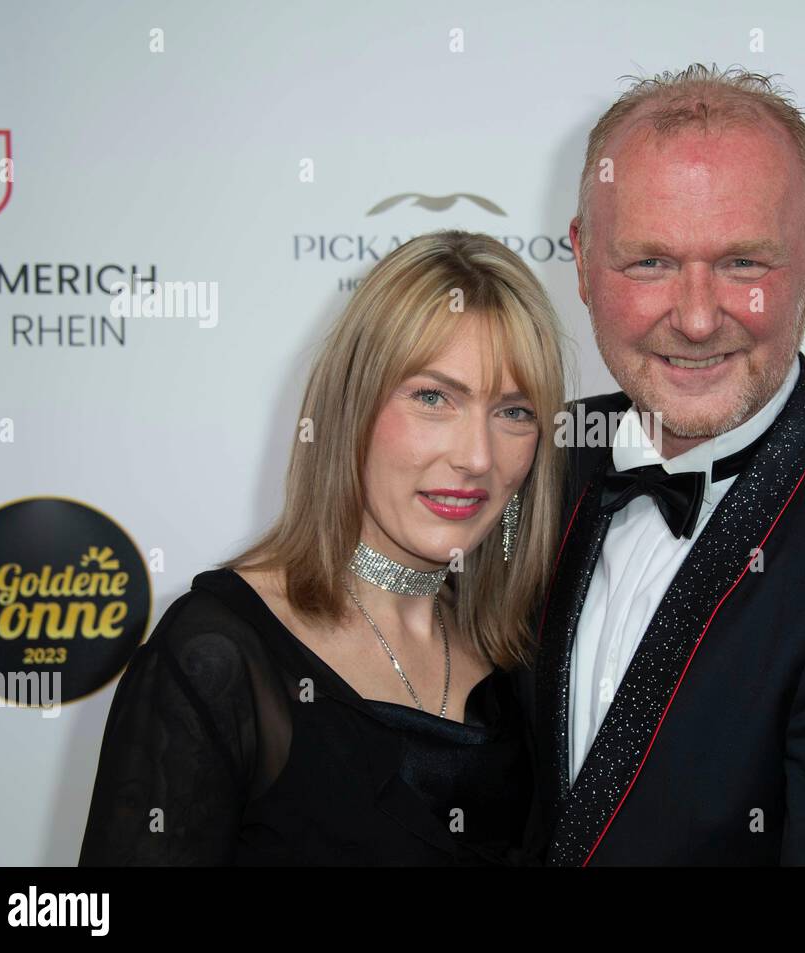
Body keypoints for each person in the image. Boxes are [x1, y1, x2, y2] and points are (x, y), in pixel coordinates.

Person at [518, 65, 805, 865]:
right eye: (649, 263)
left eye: (744, 264)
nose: (698, 318)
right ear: (583, 259)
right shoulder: (525, 463)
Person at [79, 230, 567, 865]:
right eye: (432, 397)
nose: (476, 457)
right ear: (351, 409)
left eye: (514, 412)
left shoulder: (528, 659)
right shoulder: (216, 657)